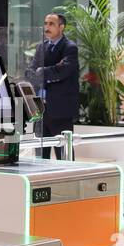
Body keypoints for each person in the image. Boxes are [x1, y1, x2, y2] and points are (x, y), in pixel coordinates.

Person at [30, 12, 80, 146]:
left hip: (60, 109)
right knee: (40, 151)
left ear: (61, 27)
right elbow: (31, 71)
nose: (47, 27)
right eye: (45, 23)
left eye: (51, 24)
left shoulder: (69, 47)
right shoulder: (41, 46)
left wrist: (42, 72)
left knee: (63, 151)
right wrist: (49, 73)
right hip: (40, 109)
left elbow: (62, 71)